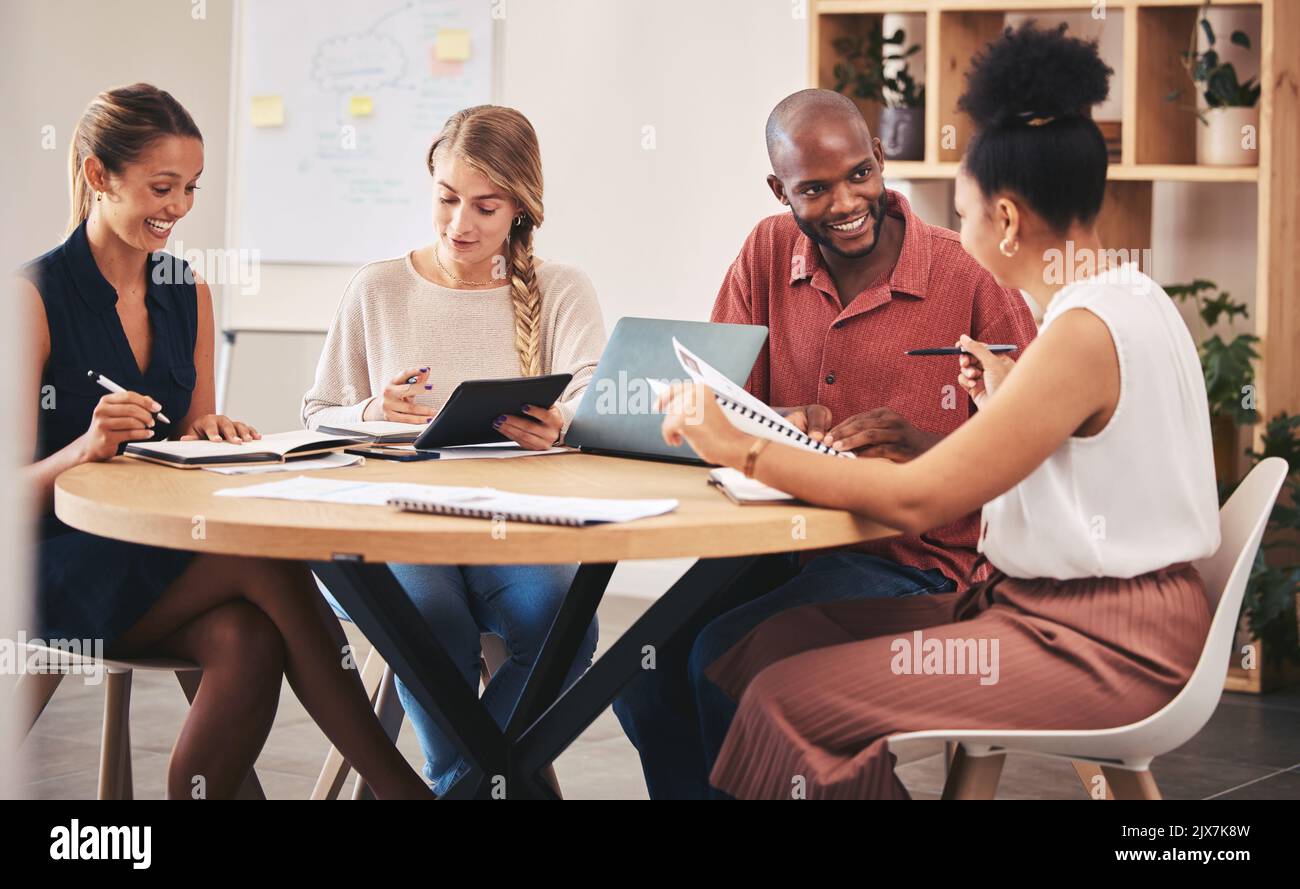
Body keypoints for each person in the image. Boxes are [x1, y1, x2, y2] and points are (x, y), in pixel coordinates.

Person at [656, 23, 1220, 799]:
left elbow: (919, 500)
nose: (955, 231)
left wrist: (740, 445)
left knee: (788, 696)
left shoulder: (1080, 333)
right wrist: (1000, 403)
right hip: (1064, 615)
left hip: (1098, 643)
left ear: (1009, 219)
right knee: (749, 651)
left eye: (963, 211)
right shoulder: (1128, 299)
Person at [612, 87, 1038, 798]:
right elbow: (724, 404)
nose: (844, 202)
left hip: (920, 563)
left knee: (732, 663)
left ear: (879, 158)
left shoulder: (967, 273)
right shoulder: (765, 251)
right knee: (642, 671)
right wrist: (779, 420)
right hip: (781, 544)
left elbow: (1030, 444)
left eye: (859, 176)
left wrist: (925, 441)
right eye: (814, 189)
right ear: (779, 189)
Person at [20, 83, 431, 799]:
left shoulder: (187, 290)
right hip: (56, 564)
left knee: (247, 639)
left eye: (190, 188)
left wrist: (207, 432)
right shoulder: (31, 299)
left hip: (154, 554)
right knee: (264, 561)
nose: (178, 207)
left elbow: (184, 434)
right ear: (96, 175)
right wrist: (83, 447)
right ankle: (401, 788)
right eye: (162, 186)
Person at [303, 105, 605, 795]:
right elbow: (317, 415)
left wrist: (563, 422)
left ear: (520, 209)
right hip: (397, 525)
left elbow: (598, 397)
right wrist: (372, 409)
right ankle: (476, 781)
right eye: (445, 199)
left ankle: (458, 788)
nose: (459, 224)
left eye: (485, 206)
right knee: (429, 621)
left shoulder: (561, 290)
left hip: (517, 524)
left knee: (562, 625)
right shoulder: (378, 288)